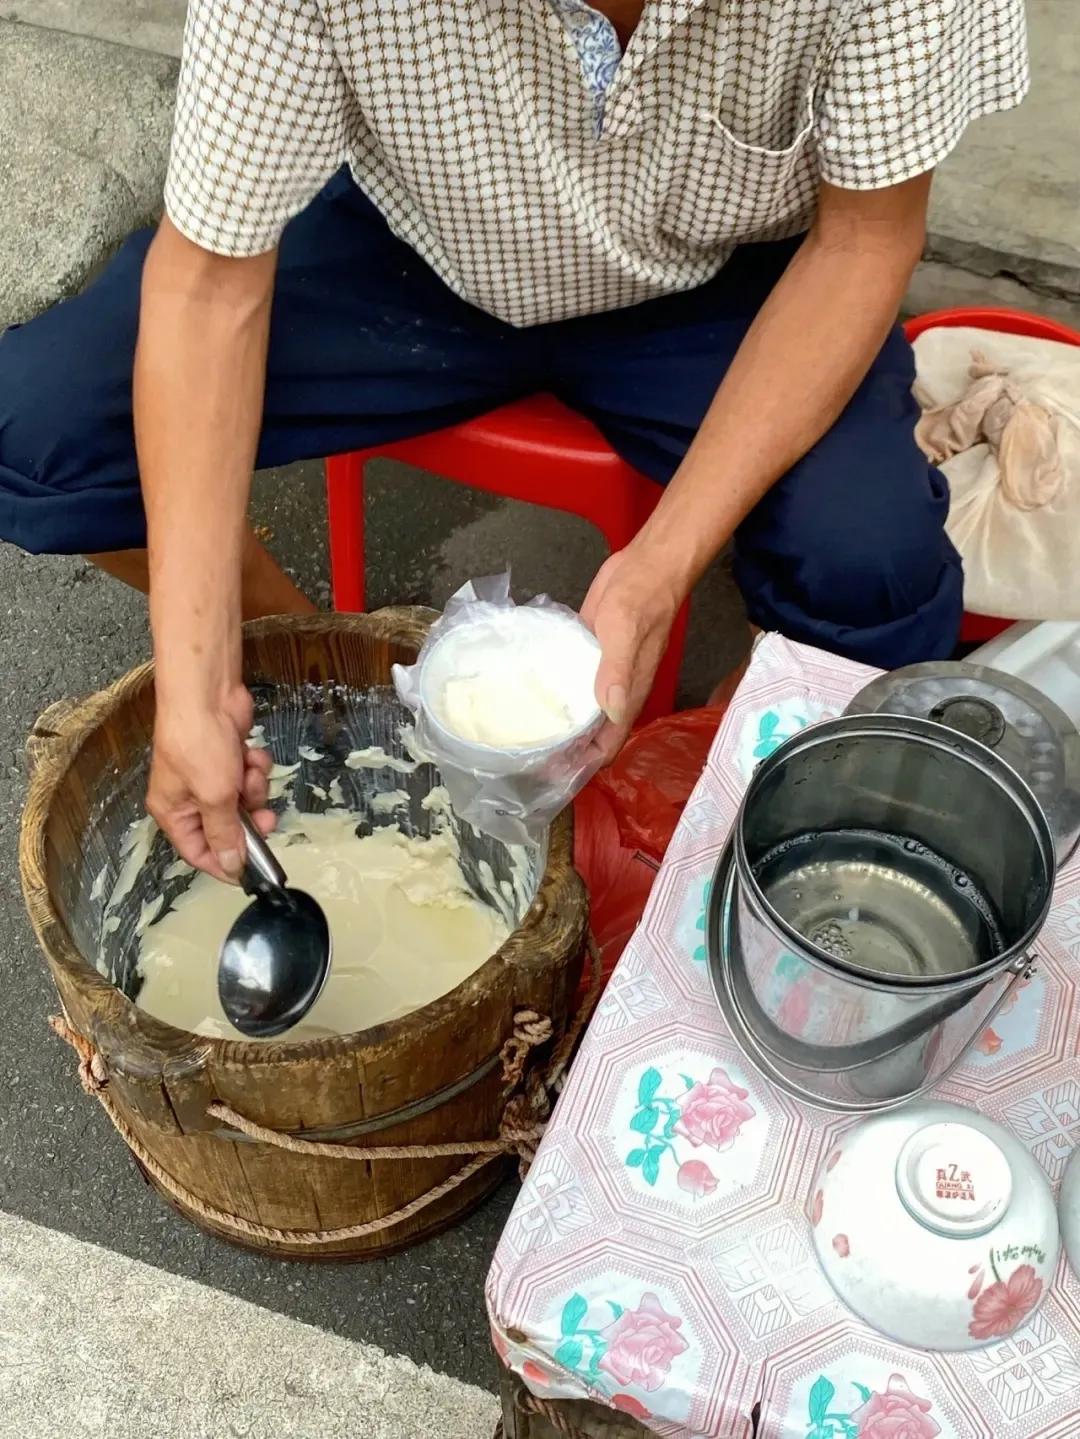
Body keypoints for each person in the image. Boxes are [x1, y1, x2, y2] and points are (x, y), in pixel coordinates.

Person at [0, 1, 1027, 880]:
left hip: (727, 278)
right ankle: (324, 671)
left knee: (872, 569)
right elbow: (209, 283)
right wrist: (200, 676)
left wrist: (659, 569)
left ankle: (709, 786)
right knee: (41, 425)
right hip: (422, 239)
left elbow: (865, 237)